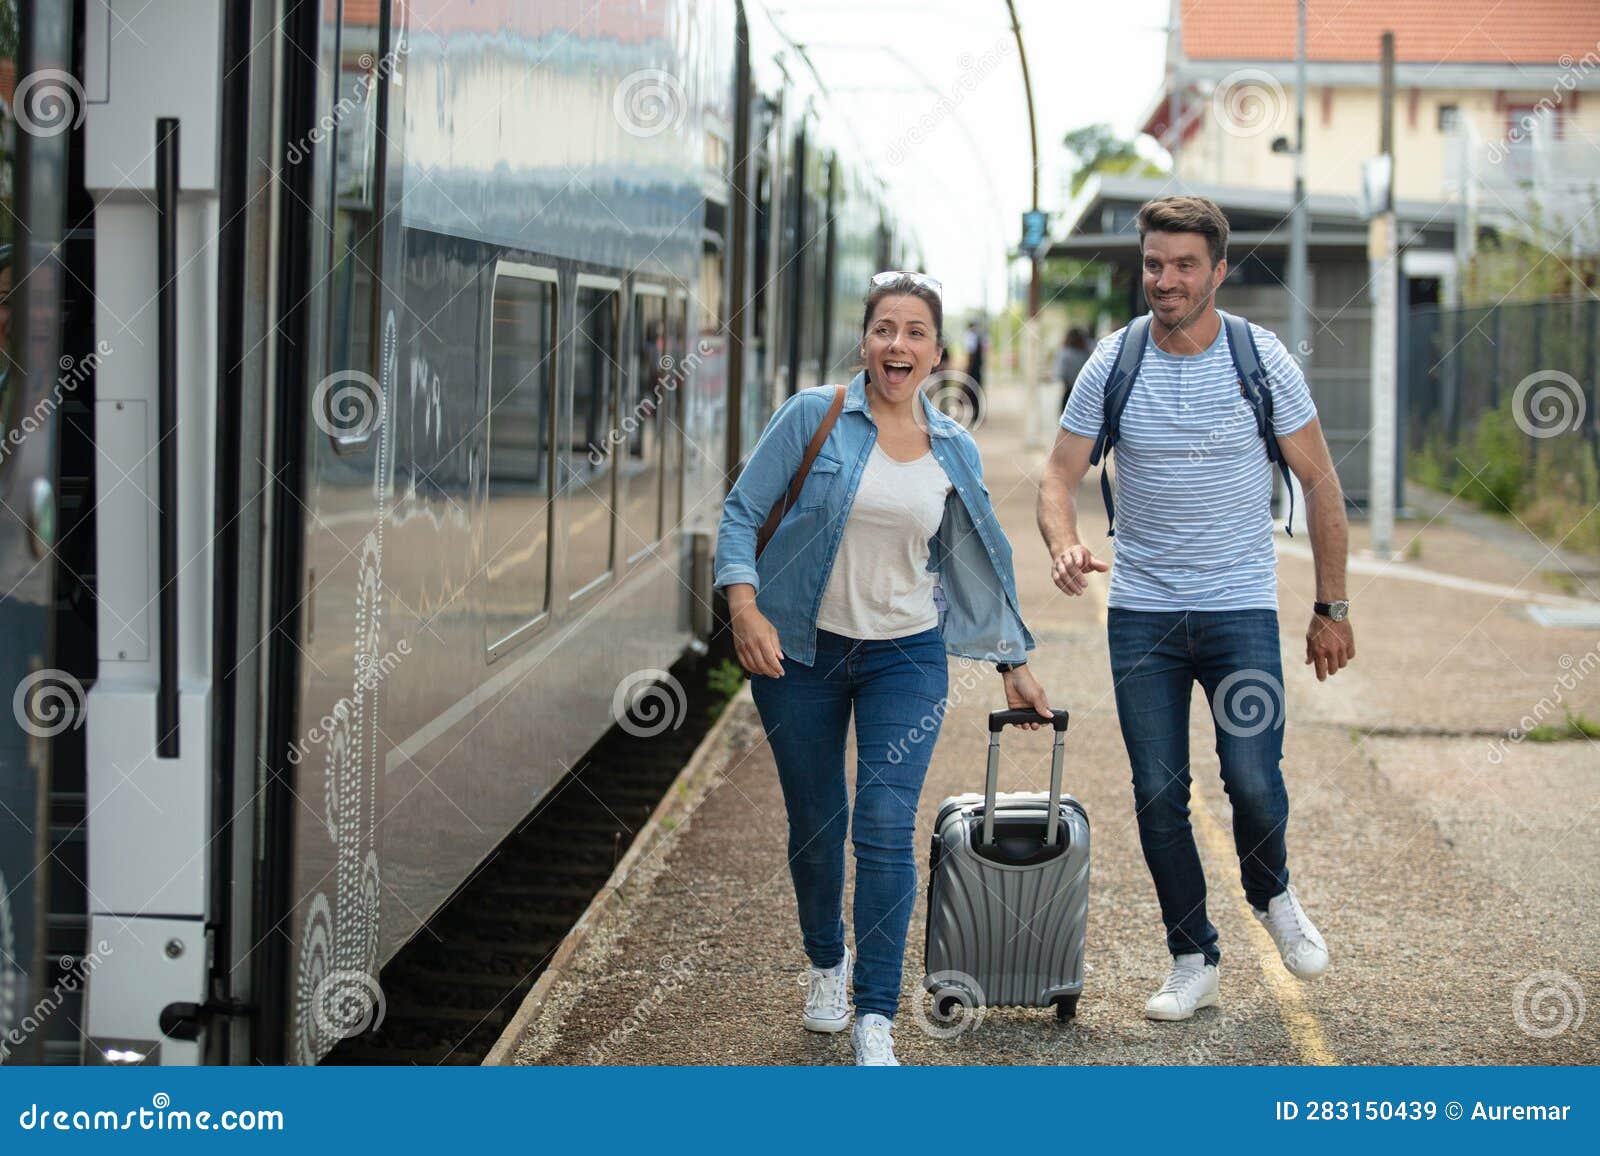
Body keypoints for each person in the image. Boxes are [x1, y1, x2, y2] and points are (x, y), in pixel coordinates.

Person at [715, 272, 1052, 1065]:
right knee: (817, 825)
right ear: (865, 340)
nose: (896, 345)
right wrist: (743, 607)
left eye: (914, 333)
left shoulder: (953, 448)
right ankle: (826, 964)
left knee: (883, 827)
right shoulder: (813, 415)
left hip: (907, 656)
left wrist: (1013, 663)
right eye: (883, 329)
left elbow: (976, 562)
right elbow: (737, 513)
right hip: (799, 650)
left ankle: (874, 1014)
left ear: (937, 353)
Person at [1037, 195, 1355, 1023]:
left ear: (1218, 271)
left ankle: (1274, 895)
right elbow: (1056, 478)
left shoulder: (1261, 358)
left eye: (1184, 265)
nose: (1166, 280)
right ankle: (1192, 956)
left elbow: (1321, 483)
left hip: (1240, 608)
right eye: (1154, 264)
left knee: (1252, 778)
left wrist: (1332, 605)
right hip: (1142, 613)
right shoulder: (1115, 360)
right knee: (1156, 791)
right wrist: (1064, 542)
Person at [1054, 327, 1091, 413]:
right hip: (1085, 396)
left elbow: (1061, 374)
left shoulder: (1064, 354)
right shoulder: (1086, 354)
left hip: (1069, 394)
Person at [963, 318, 986, 387]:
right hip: (977, 364)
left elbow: (971, 352)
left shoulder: (971, 336)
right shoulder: (978, 336)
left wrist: (968, 366)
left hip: (974, 365)